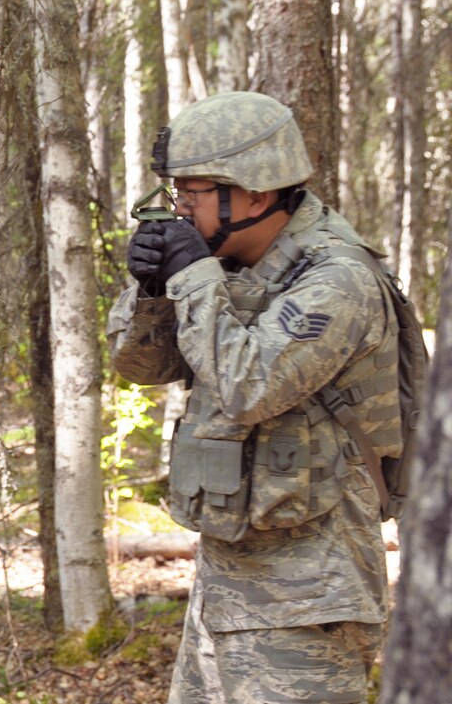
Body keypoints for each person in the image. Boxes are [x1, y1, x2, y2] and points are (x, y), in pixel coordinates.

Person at [108, 91, 401, 703]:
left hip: (310, 594)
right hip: (229, 583)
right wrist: (152, 291)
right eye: (175, 194)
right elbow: (138, 366)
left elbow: (248, 386)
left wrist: (190, 276)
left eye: (192, 194)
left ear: (255, 195)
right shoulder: (233, 267)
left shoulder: (338, 277)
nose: (178, 211)